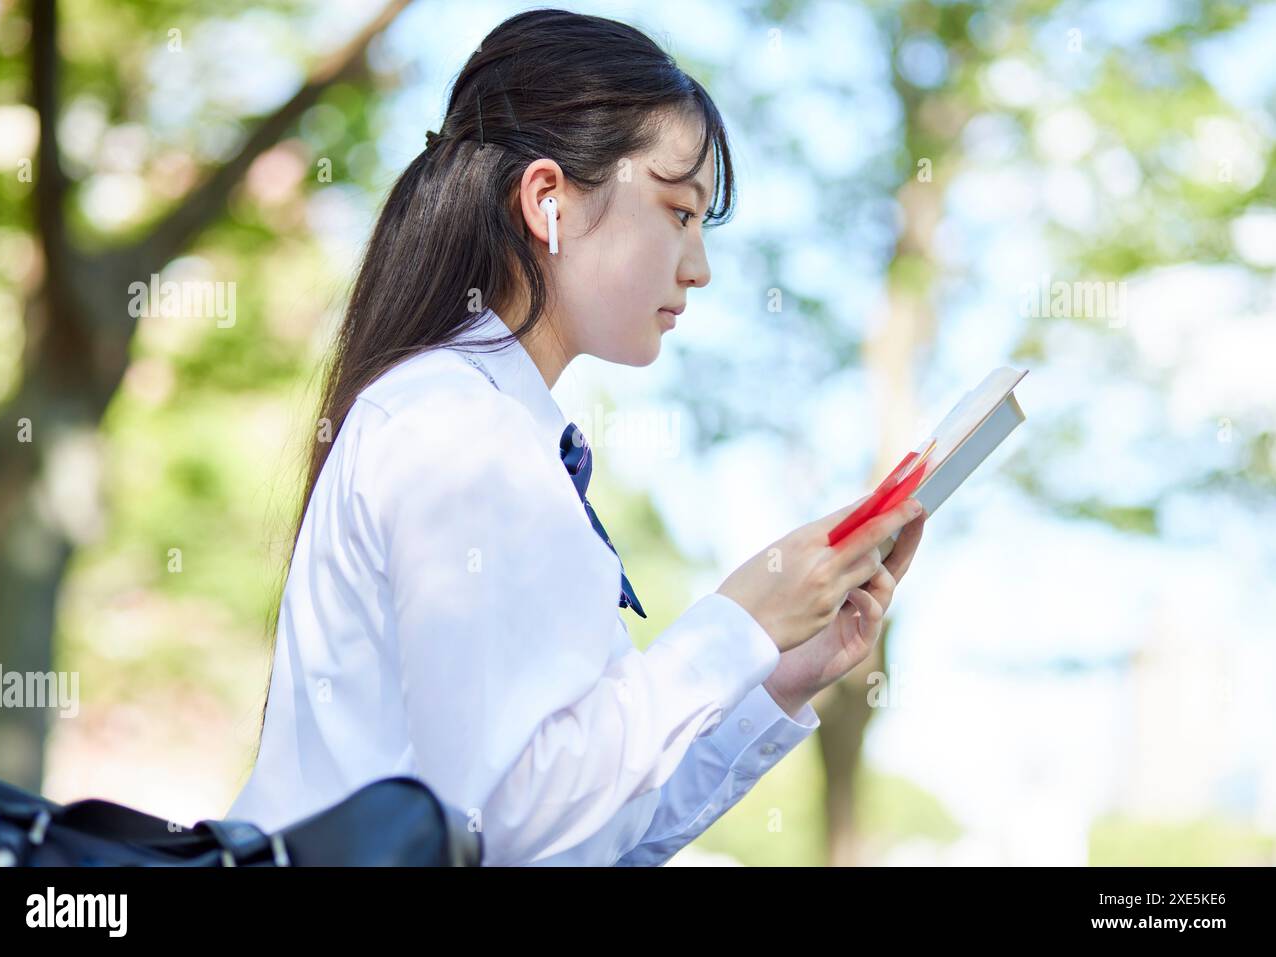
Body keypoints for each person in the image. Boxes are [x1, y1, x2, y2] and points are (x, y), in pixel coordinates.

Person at [225, 8, 925, 866]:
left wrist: (780, 671)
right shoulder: (457, 428)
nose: (699, 265)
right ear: (548, 200)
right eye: (677, 211)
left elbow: (588, 830)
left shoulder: (489, 425)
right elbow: (505, 822)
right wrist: (735, 623)